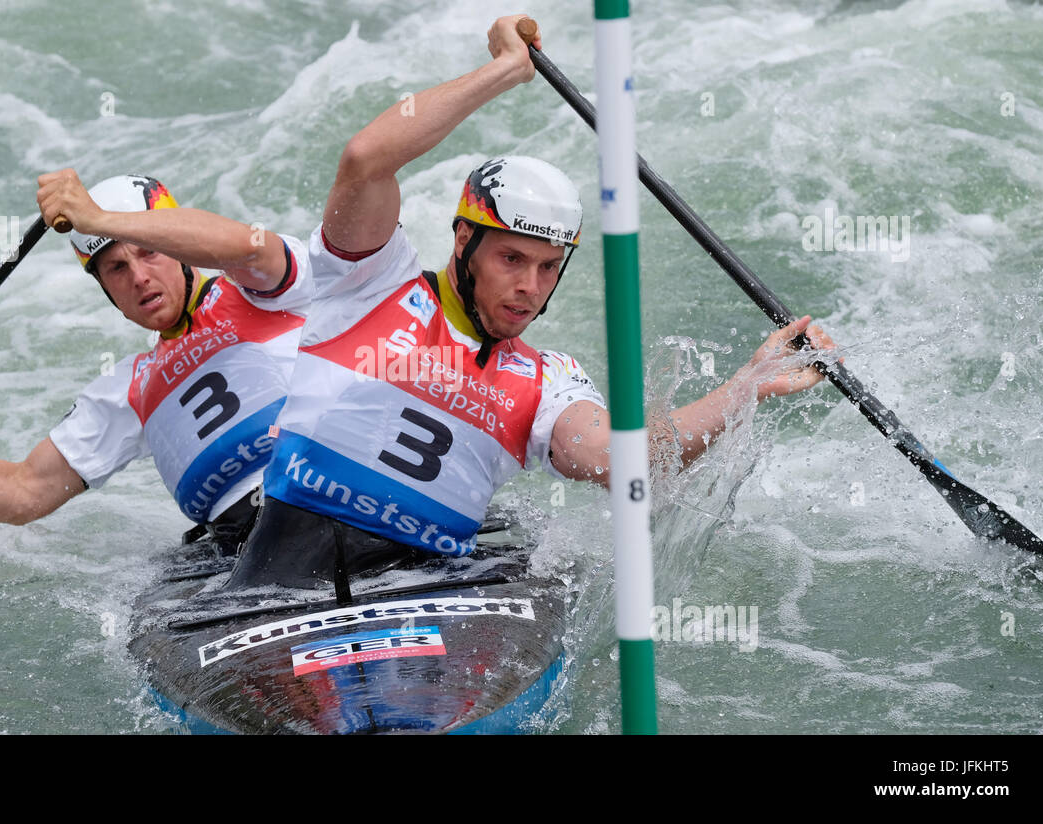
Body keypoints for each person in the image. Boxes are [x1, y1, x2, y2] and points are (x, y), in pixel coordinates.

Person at [225, 16, 838, 590]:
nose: (530, 286)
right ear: (464, 240)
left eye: (548, 267)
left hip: (430, 590)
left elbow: (624, 461)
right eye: (511, 259)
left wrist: (748, 385)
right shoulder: (369, 282)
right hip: (282, 573)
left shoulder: (546, 381)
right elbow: (366, 160)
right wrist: (505, 70)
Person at [0, 170, 311, 548]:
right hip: (249, 547)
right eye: (117, 268)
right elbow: (21, 492)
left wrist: (99, 221)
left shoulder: (262, 291)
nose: (138, 277)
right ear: (105, 291)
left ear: (180, 249)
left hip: (338, 492)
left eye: (150, 252)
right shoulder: (131, 387)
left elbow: (250, 246)